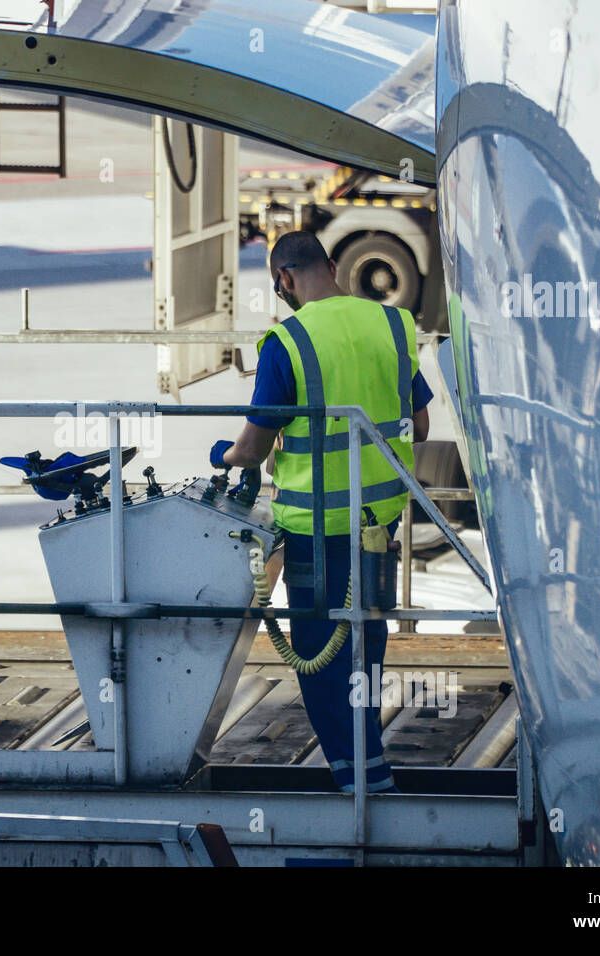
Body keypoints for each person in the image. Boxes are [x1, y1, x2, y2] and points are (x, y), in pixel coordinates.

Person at [209, 230, 432, 794]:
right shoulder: (392, 323)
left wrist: (226, 455)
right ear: (332, 265)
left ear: (283, 279)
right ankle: (368, 760)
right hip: (379, 523)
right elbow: (420, 425)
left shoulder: (287, 342)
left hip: (316, 529)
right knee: (365, 641)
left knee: (317, 651)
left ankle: (356, 776)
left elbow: (254, 447)